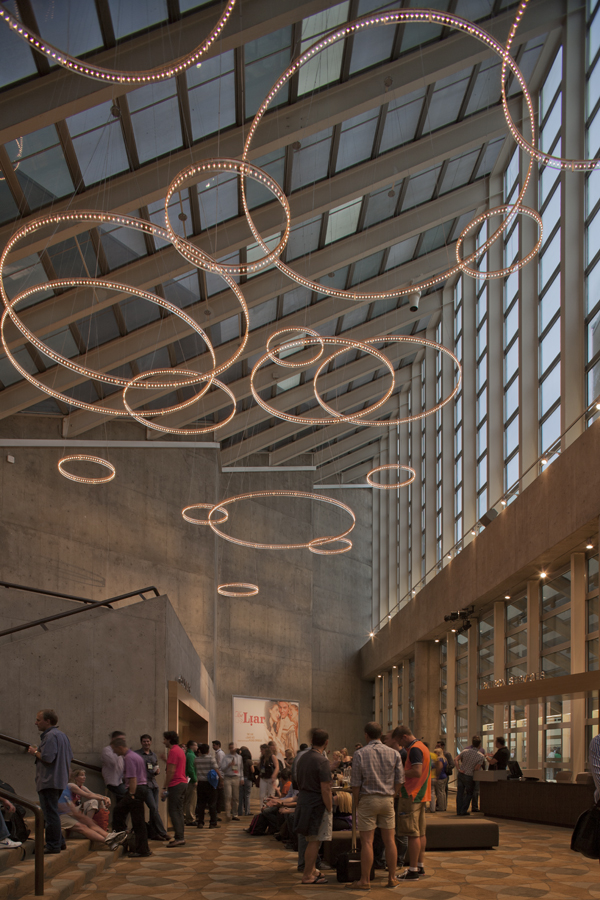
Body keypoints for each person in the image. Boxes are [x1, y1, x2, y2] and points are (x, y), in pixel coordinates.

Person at [350, 721, 404, 889]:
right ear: (380, 735)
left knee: (367, 842)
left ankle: (365, 881)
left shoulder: (359, 754)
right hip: (387, 800)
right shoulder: (394, 753)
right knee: (390, 841)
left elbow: (355, 783)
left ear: (366, 735)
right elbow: (400, 780)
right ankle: (392, 878)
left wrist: (357, 802)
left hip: (368, 799)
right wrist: (392, 795)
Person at [27, 709, 73, 855]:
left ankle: (53, 845)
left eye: (38, 720)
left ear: (48, 721)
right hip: (59, 780)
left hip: (49, 781)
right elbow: (69, 756)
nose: (36, 723)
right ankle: (60, 842)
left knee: (50, 814)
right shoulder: (62, 736)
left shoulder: (51, 736)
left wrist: (34, 752)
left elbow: (47, 757)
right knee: (53, 813)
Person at [292, 728, 332, 886]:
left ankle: (312, 869)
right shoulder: (322, 760)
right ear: (326, 742)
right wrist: (329, 807)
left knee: (310, 839)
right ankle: (308, 874)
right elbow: (326, 788)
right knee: (315, 841)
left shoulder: (303, 757)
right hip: (316, 804)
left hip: (304, 801)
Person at [392, 725, 431, 881]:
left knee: (412, 833)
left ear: (404, 737)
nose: (399, 745)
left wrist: (397, 771)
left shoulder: (414, 749)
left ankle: (413, 869)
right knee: (420, 832)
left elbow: (416, 772)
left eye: (398, 741)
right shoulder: (422, 746)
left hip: (411, 794)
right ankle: (420, 865)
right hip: (420, 794)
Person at [58, 772, 126, 849]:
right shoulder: (67, 787)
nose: (84, 777)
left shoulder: (67, 787)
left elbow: (91, 794)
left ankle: (108, 836)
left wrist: (104, 798)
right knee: (82, 827)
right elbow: (70, 810)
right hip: (60, 816)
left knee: (90, 821)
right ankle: (108, 841)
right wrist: (85, 819)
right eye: (81, 775)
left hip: (69, 813)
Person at [110, 737, 151, 858]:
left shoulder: (129, 758)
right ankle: (139, 847)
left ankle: (127, 842)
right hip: (141, 788)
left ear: (119, 747)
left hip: (136, 789)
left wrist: (131, 795)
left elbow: (133, 778)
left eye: (114, 749)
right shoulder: (135, 755)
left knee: (122, 813)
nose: (114, 752)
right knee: (136, 820)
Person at [135, 735, 168, 841]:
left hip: (154, 784)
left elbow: (155, 767)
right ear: (141, 742)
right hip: (144, 785)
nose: (146, 743)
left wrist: (157, 771)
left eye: (148, 741)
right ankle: (162, 832)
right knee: (153, 808)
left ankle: (154, 833)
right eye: (144, 741)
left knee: (154, 811)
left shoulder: (153, 755)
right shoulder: (137, 755)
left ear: (151, 742)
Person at [162, 731, 187, 846]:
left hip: (176, 784)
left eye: (164, 739)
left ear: (169, 740)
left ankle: (179, 837)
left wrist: (164, 787)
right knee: (179, 810)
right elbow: (174, 765)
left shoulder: (173, 751)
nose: (163, 741)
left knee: (173, 811)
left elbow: (171, 771)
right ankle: (180, 836)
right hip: (182, 782)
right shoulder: (179, 750)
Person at [455, 737, 484, 817]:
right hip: (469, 776)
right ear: (479, 745)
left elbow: (456, 759)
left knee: (460, 793)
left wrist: (459, 769)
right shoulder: (481, 756)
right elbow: (476, 768)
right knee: (469, 793)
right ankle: (463, 810)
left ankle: (458, 810)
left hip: (461, 774)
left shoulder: (465, 751)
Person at [101, 730, 127, 815]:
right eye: (120, 739)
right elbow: (113, 763)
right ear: (113, 739)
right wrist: (119, 751)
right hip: (113, 781)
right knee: (125, 799)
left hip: (122, 780)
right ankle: (119, 824)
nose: (122, 742)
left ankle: (121, 825)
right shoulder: (107, 750)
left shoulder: (122, 750)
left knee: (123, 803)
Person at [195, 743, 220, 828]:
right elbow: (216, 770)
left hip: (201, 783)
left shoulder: (196, 759)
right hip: (210, 783)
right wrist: (221, 779)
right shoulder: (211, 759)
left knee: (201, 804)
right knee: (212, 803)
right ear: (208, 751)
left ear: (200, 751)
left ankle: (200, 822)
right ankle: (213, 823)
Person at [222, 742, 242, 821]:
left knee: (236, 797)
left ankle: (235, 814)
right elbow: (222, 768)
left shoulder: (239, 757)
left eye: (233, 747)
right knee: (228, 796)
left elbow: (241, 768)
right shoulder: (225, 757)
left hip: (236, 777)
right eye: (230, 748)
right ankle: (227, 814)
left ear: (236, 748)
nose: (232, 749)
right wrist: (229, 765)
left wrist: (242, 778)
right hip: (227, 777)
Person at [184, 740, 198, 826]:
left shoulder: (187, 754)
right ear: (191, 746)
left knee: (187, 799)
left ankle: (187, 816)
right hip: (190, 779)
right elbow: (190, 769)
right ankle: (190, 818)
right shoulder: (191, 755)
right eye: (196, 745)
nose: (197, 747)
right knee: (191, 799)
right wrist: (195, 779)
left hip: (187, 779)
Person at [238, 746, 254, 816]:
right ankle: (247, 812)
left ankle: (240, 812)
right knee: (247, 796)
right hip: (248, 779)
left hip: (240, 779)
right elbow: (252, 770)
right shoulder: (249, 761)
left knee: (240, 796)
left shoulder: (239, 761)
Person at [212, 740, 226, 815]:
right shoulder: (218, 753)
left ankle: (220, 807)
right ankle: (219, 807)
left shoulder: (220, 753)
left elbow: (219, 764)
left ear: (218, 745)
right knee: (219, 791)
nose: (213, 747)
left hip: (220, 774)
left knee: (220, 792)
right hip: (219, 773)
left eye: (214, 745)